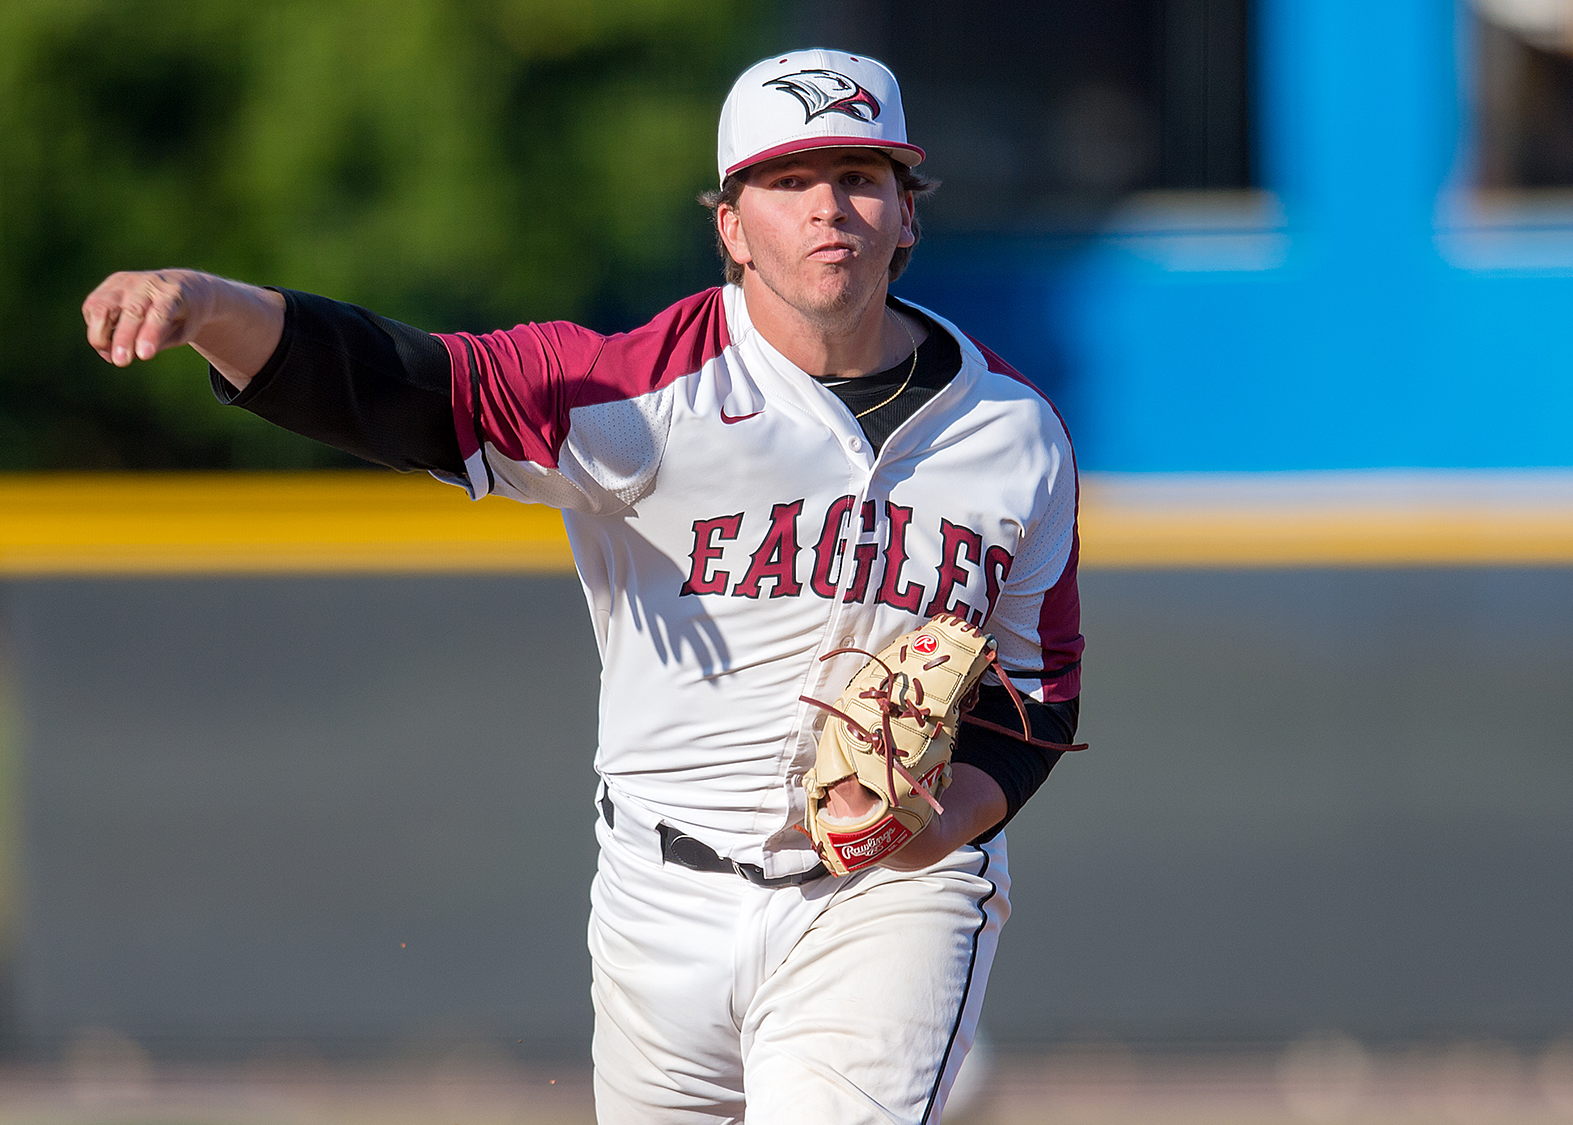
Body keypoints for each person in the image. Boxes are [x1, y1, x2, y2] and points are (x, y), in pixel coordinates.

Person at [83, 48, 1082, 1125]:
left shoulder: (1009, 434)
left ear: (904, 213)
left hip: (883, 905)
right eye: (788, 183)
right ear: (731, 229)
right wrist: (205, 304)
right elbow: (407, 382)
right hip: (660, 898)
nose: (828, 208)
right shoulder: (633, 392)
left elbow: (1037, 701)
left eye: (859, 176)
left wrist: (934, 832)